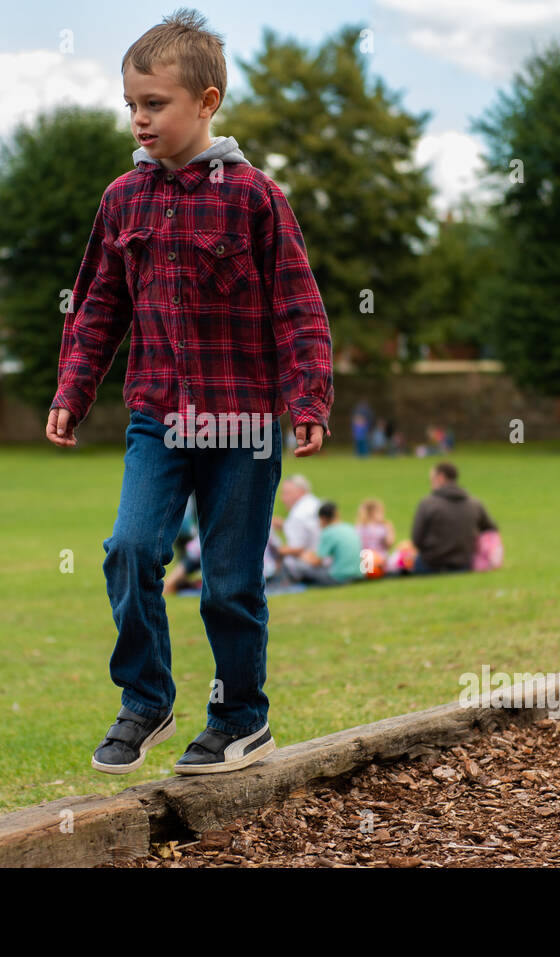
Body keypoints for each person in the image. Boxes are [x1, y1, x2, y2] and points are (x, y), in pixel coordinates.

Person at [45, 11, 333, 777]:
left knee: (230, 584)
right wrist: (74, 387)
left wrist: (308, 399)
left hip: (242, 425)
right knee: (130, 548)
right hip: (158, 420)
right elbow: (99, 302)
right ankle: (146, 697)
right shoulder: (122, 200)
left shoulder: (254, 198)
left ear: (206, 103)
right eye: (132, 104)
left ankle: (241, 718)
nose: (140, 118)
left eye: (156, 104)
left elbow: (298, 305)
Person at [408, 461, 497, 574]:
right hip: (463, 564)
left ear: (440, 478)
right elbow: (490, 529)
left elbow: (416, 539)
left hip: (430, 564)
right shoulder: (474, 504)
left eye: (432, 479)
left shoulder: (427, 504)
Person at [271, 474, 322, 585]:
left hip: (306, 566)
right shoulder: (316, 503)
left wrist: (273, 549)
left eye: (286, 493)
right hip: (324, 560)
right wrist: (285, 525)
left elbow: (296, 548)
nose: (283, 499)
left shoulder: (297, 515)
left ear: (300, 492)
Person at [299, 501, 364, 585]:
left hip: (340, 577)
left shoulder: (328, 532)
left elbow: (317, 562)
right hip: (358, 574)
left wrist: (303, 556)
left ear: (323, 518)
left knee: (303, 570)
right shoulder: (349, 527)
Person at [356, 498, 395, 573]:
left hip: (363, 562)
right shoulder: (381, 529)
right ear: (374, 513)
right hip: (380, 561)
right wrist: (390, 529)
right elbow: (389, 543)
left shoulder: (358, 528)